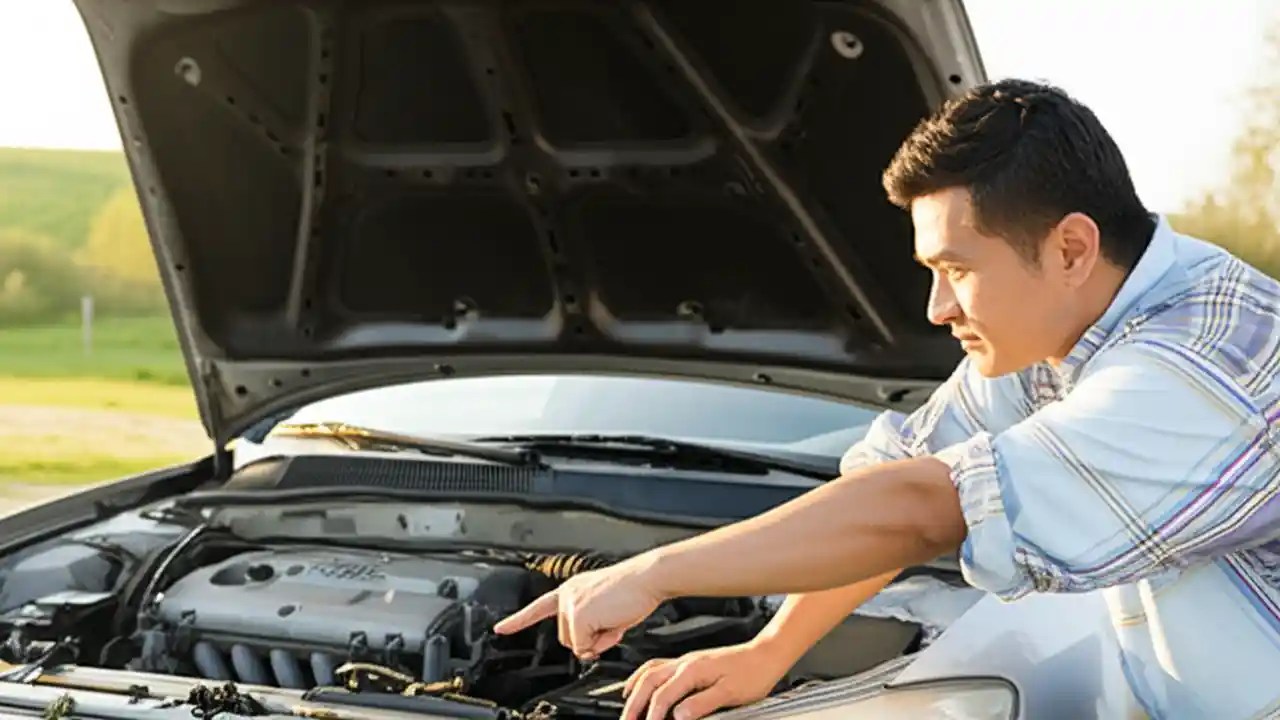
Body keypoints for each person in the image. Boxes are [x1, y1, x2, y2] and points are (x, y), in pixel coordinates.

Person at [493, 79, 1280, 720]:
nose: (938, 308)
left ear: (1071, 248)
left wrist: (658, 572)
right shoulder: (1054, 336)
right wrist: (766, 654)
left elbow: (921, 509)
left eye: (958, 269)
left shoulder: (1207, 368)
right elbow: (898, 479)